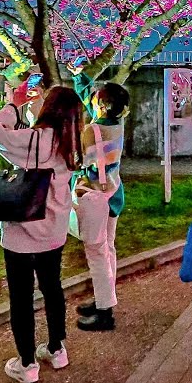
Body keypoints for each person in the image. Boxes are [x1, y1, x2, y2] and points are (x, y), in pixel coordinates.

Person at [0, 85, 86, 383]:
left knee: (21, 296)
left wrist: (14, 106)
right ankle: (57, 349)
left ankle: (27, 363)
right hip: (53, 232)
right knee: (52, 288)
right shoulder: (70, 143)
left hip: (21, 232)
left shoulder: (33, 140)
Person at [73, 81, 131, 332]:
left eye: (97, 97)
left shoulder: (92, 130)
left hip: (94, 195)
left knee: (96, 252)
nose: (93, 99)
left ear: (103, 105)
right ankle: (103, 298)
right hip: (114, 192)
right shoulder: (118, 124)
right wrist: (80, 77)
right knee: (108, 248)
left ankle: (104, 312)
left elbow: (78, 161)